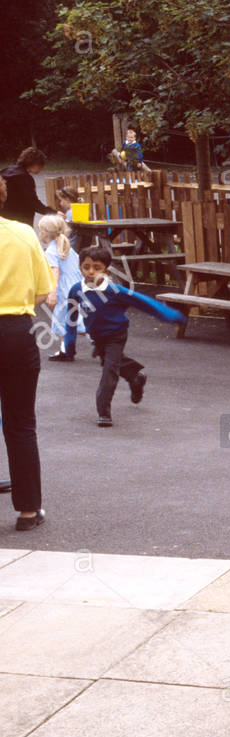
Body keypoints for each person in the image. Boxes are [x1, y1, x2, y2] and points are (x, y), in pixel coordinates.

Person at [65, 245, 185, 427]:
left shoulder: (114, 291)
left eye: (97, 267)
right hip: (98, 337)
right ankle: (136, 377)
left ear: (105, 269)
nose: (90, 272)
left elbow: (143, 302)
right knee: (113, 363)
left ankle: (103, 412)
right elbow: (71, 318)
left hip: (116, 335)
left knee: (109, 371)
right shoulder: (76, 290)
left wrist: (169, 315)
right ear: (80, 267)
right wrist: (70, 345)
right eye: (86, 267)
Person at [0, 176, 53, 524]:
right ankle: (28, 509)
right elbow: (40, 293)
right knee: (20, 422)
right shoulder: (22, 234)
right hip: (13, 329)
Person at [37, 216, 82, 362]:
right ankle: (66, 349)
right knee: (68, 318)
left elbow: (54, 271)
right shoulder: (65, 246)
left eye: (40, 231)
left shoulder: (51, 251)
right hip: (76, 285)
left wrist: (52, 292)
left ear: (45, 232)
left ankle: (102, 343)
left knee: (66, 319)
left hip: (64, 290)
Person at [1, 148, 54, 227]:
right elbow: (32, 202)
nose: (42, 168)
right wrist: (52, 212)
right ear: (36, 164)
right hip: (21, 221)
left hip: (4, 219)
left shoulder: (5, 171)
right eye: (42, 165)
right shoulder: (25, 178)